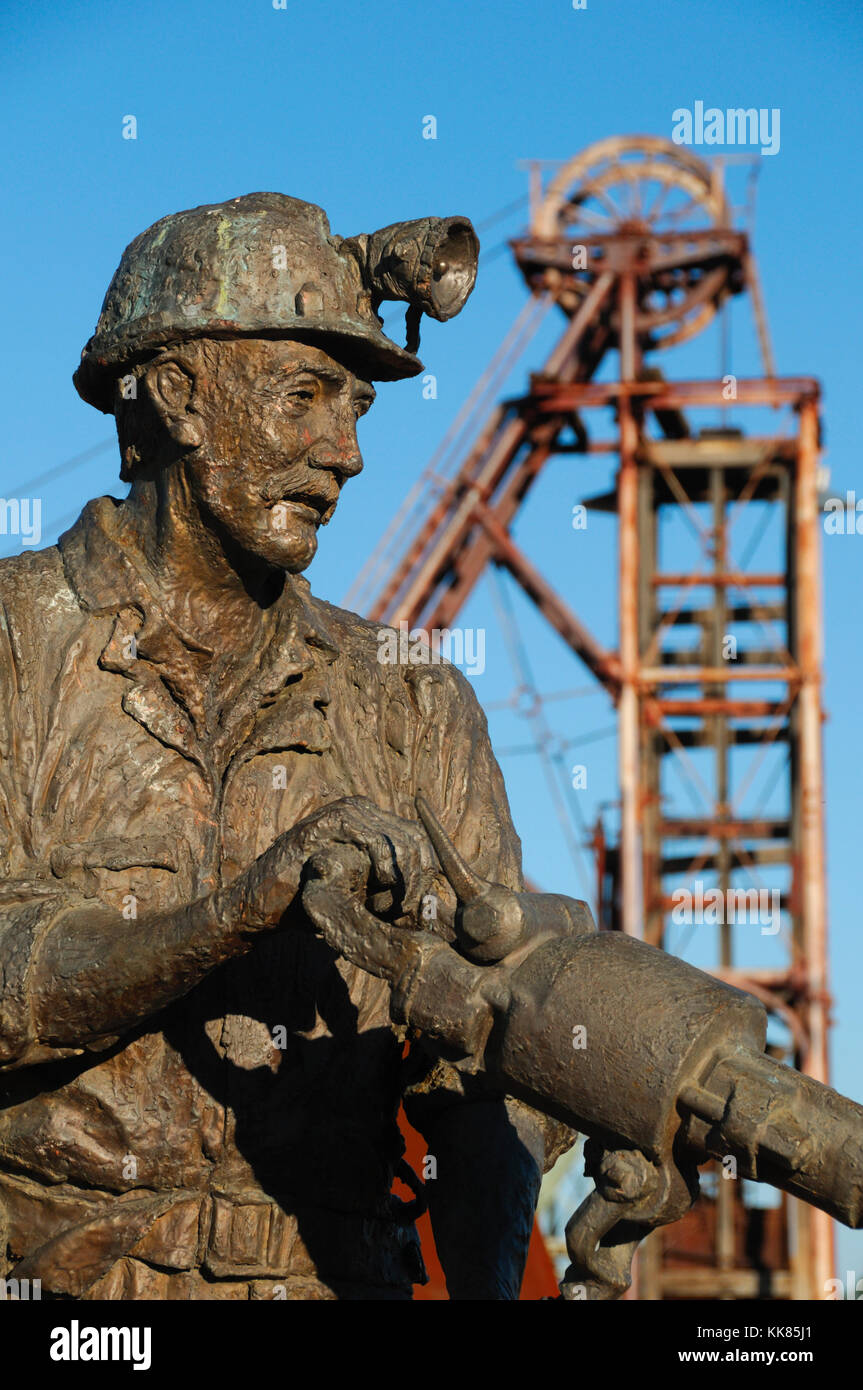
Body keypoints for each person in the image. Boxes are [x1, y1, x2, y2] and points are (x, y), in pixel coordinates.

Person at [0, 193, 573, 1300]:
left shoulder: (412, 702)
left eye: (357, 406)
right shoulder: (18, 648)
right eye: (303, 396)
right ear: (176, 395)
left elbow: (496, 1053)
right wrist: (232, 916)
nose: (346, 453)